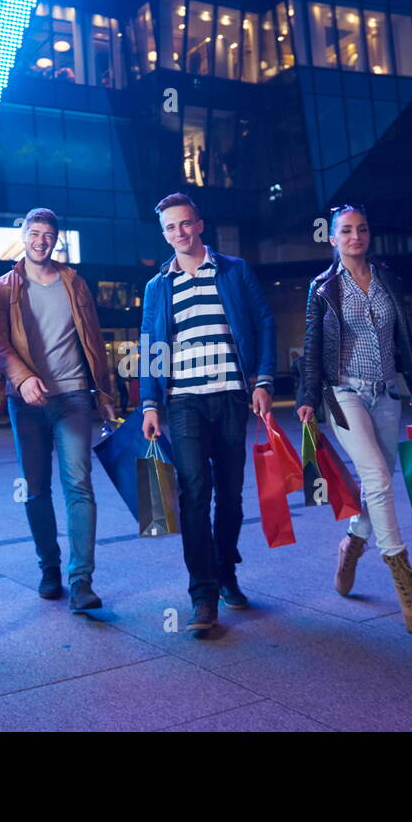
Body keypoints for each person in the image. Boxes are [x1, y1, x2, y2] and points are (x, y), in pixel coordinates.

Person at [140, 193, 276, 633]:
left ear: (200, 224)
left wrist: (262, 381)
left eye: (185, 223)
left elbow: (264, 323)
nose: (179, 232)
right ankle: (202, 593)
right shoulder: (158, 285)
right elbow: (151, 349)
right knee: (195, 492)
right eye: (170, 228)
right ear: (163, 234)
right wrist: (149, 403)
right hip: (183, 401)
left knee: (231, 495)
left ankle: (226, 573)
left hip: (232, 396)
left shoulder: (234, 270)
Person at [296, 205, 412, 632]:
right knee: (375, 475)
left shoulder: (388, 279)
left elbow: (404, 339)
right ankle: (407, 588)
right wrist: (305, 398)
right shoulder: (323, 288)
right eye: (346, 231)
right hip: (342, 393)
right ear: (333, 239)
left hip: (387, 392)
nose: (355, 236)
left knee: (381, 482)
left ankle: (352, 545)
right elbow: (312, 345)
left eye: (362, 229)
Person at [0, 208, 117, 612]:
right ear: (23, 236)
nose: (41, 240)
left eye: (48, 234)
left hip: (73, 395)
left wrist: (106, 395)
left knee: (79, 484)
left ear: (56, 239)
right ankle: (49, 568)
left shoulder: (74, 283)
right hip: (26, 404)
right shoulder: (3, 289)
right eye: (34, 233)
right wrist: (22, 378)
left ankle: (81, 581)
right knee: (36, 489)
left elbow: (93, 339)